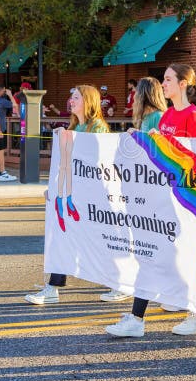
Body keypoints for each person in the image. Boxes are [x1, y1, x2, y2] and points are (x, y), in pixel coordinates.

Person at [108, 63, 196, 338]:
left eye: (167, 79)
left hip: (183, 199)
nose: (162, 84)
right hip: (162, 197)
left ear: (183, 84)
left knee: (188, 257)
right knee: (150, 255)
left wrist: (165, 144)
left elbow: (195, 158)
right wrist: (141, 139)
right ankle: (136, 319)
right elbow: (159, 155)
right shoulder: (166, 117)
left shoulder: (193, 115)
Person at [25, 85, 125, 304]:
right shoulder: (75, 126)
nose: (71, 100)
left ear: (88, 101)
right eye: (71, 96)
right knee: (63, 236)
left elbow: (97, 164)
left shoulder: (97, 127)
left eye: (76, 97)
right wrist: (54, 188)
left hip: (94, 197)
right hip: (73, 194)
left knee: (100, 241)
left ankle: (121, 283)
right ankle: (53, 287)